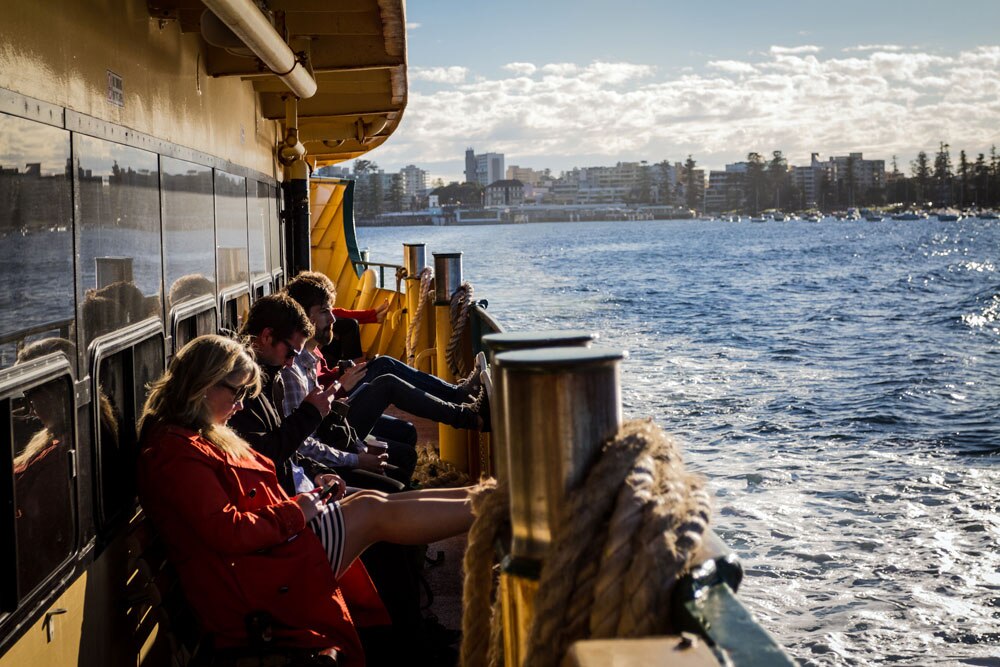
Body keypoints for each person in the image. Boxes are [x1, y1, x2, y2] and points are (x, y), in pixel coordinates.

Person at [136, 334, 476, 665]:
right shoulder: (176, 455)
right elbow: (226, 529)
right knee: (371, 512)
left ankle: (483, 498)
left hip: (265, 556)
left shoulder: (197, 435)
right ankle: (489, 507)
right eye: (237, 392)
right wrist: (296, 511)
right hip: (254, 580)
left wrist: (312, 486)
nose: (240, 404)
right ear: (204, 385)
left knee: (369, 501)